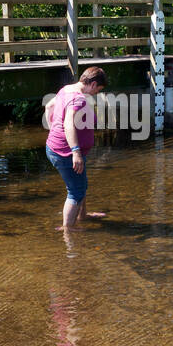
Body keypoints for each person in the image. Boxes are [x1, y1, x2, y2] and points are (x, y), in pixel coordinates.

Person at [44, 66, 108, 229]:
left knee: (81, 184)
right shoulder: (78, 99)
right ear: (93, 84)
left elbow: (49, 107)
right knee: (75, 192)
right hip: (65, 152)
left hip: (56, 147)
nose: (96, 94)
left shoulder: (66, 89)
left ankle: (83, 216)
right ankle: (67, 231)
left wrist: (53, 130)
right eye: (98, 90)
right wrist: (76, 152)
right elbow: (68, 123)